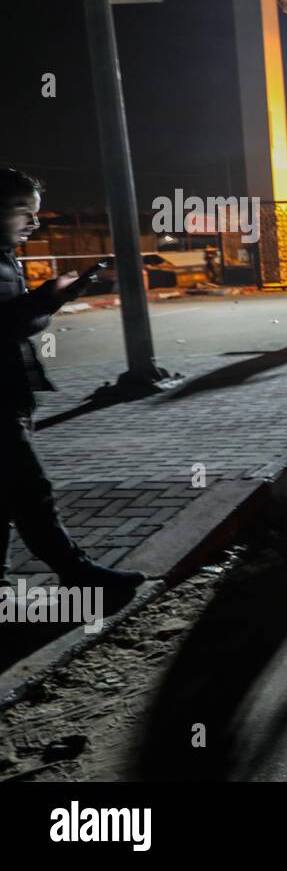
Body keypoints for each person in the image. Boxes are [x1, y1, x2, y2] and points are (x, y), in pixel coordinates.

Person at [0, 168, 148, 592]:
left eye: (36, 213)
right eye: (22, 211)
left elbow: (20, 324)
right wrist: (45, 298)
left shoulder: (6, 256)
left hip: (12, 393)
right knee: (30, 493)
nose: (33, 223)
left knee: (9, 494)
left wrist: (52, 299)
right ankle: (80, 574)